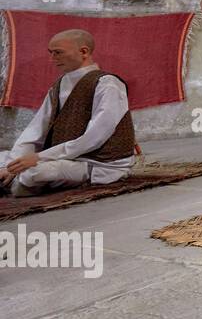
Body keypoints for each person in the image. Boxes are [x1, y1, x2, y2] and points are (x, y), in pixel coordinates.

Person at [0, 29, 136, 196]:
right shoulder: (59, 85)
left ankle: (15, 185)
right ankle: (13, 180)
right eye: (51, 53)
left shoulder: (108, 84)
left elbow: (94, 137)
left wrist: (39, 158)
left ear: (84, 51)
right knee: (6, 161)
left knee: (32, 173)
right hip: (65, 157)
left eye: (58, 53)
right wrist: (12, 164)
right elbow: (35, 130)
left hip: (99, 163)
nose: (52, 59)